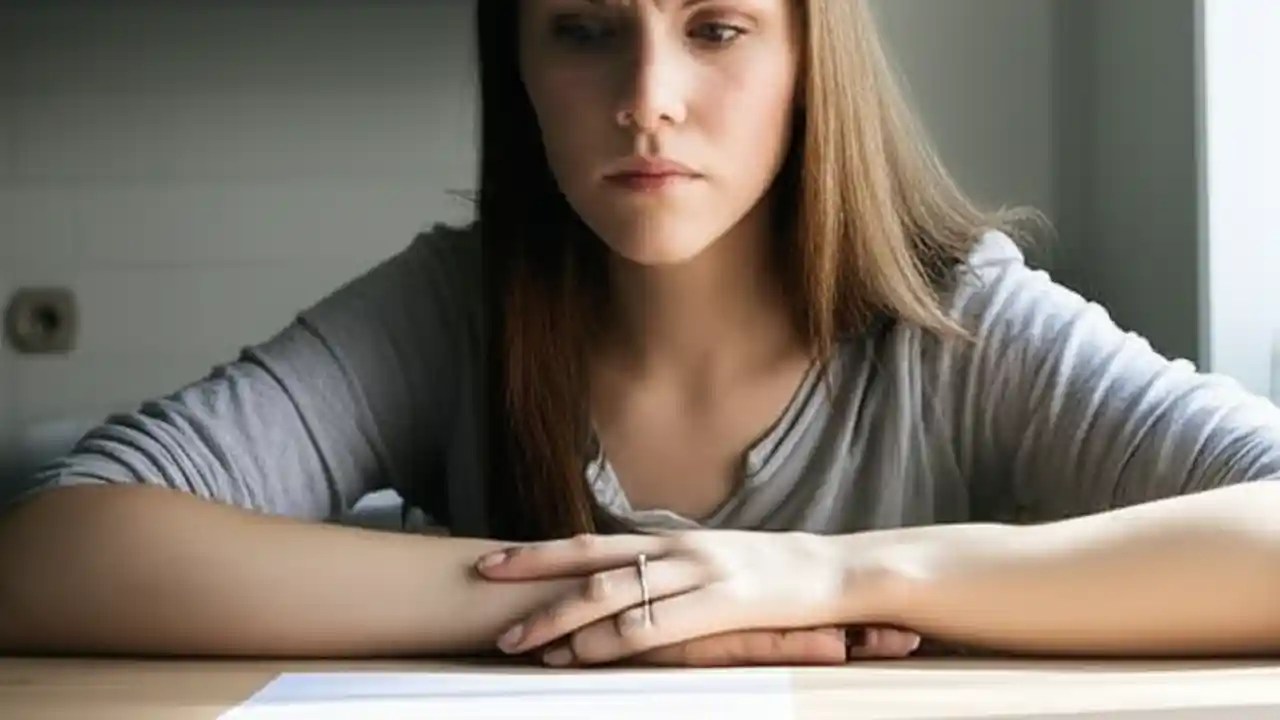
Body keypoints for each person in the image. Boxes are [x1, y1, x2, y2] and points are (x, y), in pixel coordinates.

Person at [2, 0, 1279, 671]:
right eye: (583, 30)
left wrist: (830, 577)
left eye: (714, 27)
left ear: (808, 56)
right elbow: (55, 548)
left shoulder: (953, 320)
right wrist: (614, 599)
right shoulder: (454, 307)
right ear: (516, 60)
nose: (645, 101)